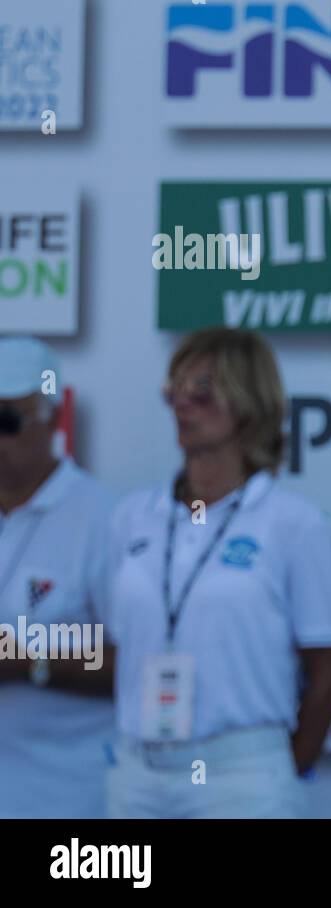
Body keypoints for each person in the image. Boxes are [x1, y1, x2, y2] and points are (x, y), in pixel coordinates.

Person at [105, 328, 331, 818]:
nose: (181, 404)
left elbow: (329, 671)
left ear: (247, 401)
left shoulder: (292, 522)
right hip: (136, 773)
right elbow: (116, 652)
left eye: (200, 390)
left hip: (242, 777)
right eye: (173, 390)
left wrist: (283, 772)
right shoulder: (132, 516)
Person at [0, 336, 116, 817]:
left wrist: (27, 661)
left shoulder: (103, 518)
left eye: (6, 421)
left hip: (67, 801)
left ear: (54, 420)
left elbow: (132, 659)